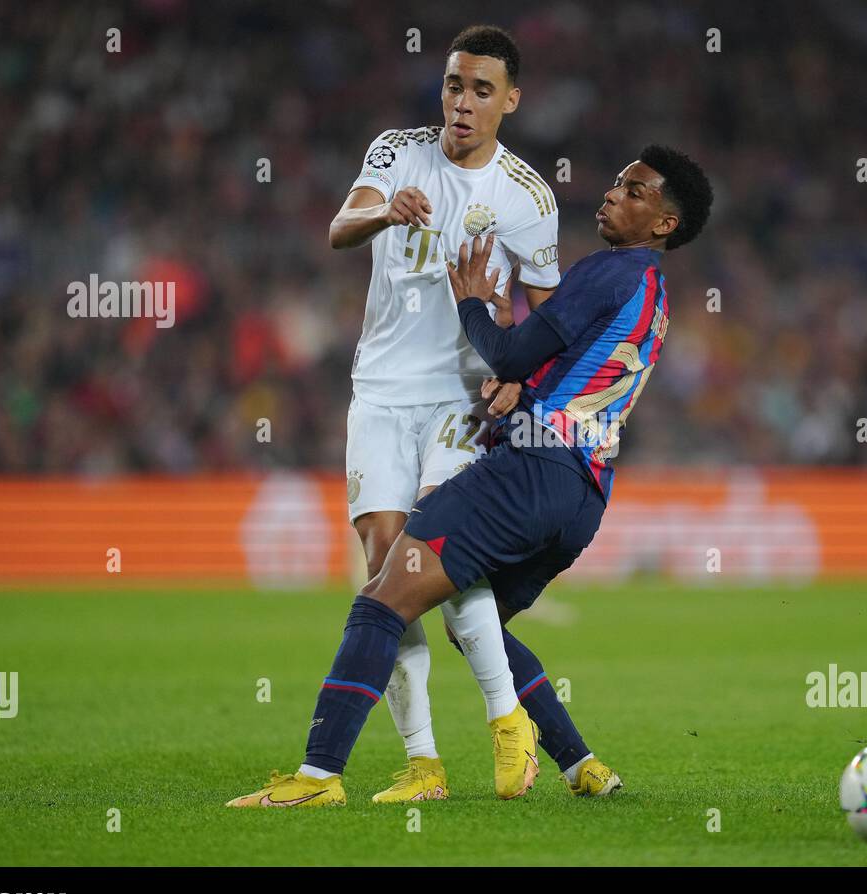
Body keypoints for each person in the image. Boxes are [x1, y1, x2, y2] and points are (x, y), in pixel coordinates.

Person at [227, 145, 712, 809]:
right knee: (473, 623)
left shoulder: (611, 270)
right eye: (617, 181)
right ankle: (581, 765)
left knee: (381, 600)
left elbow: (510, 349)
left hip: (530, 472)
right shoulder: (654, 296)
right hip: (584, 497)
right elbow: (572, 366)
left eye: (633, 191)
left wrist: (476, 304)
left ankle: (318, 778)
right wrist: (525, 383)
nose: (610, 195)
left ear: (663, 223)